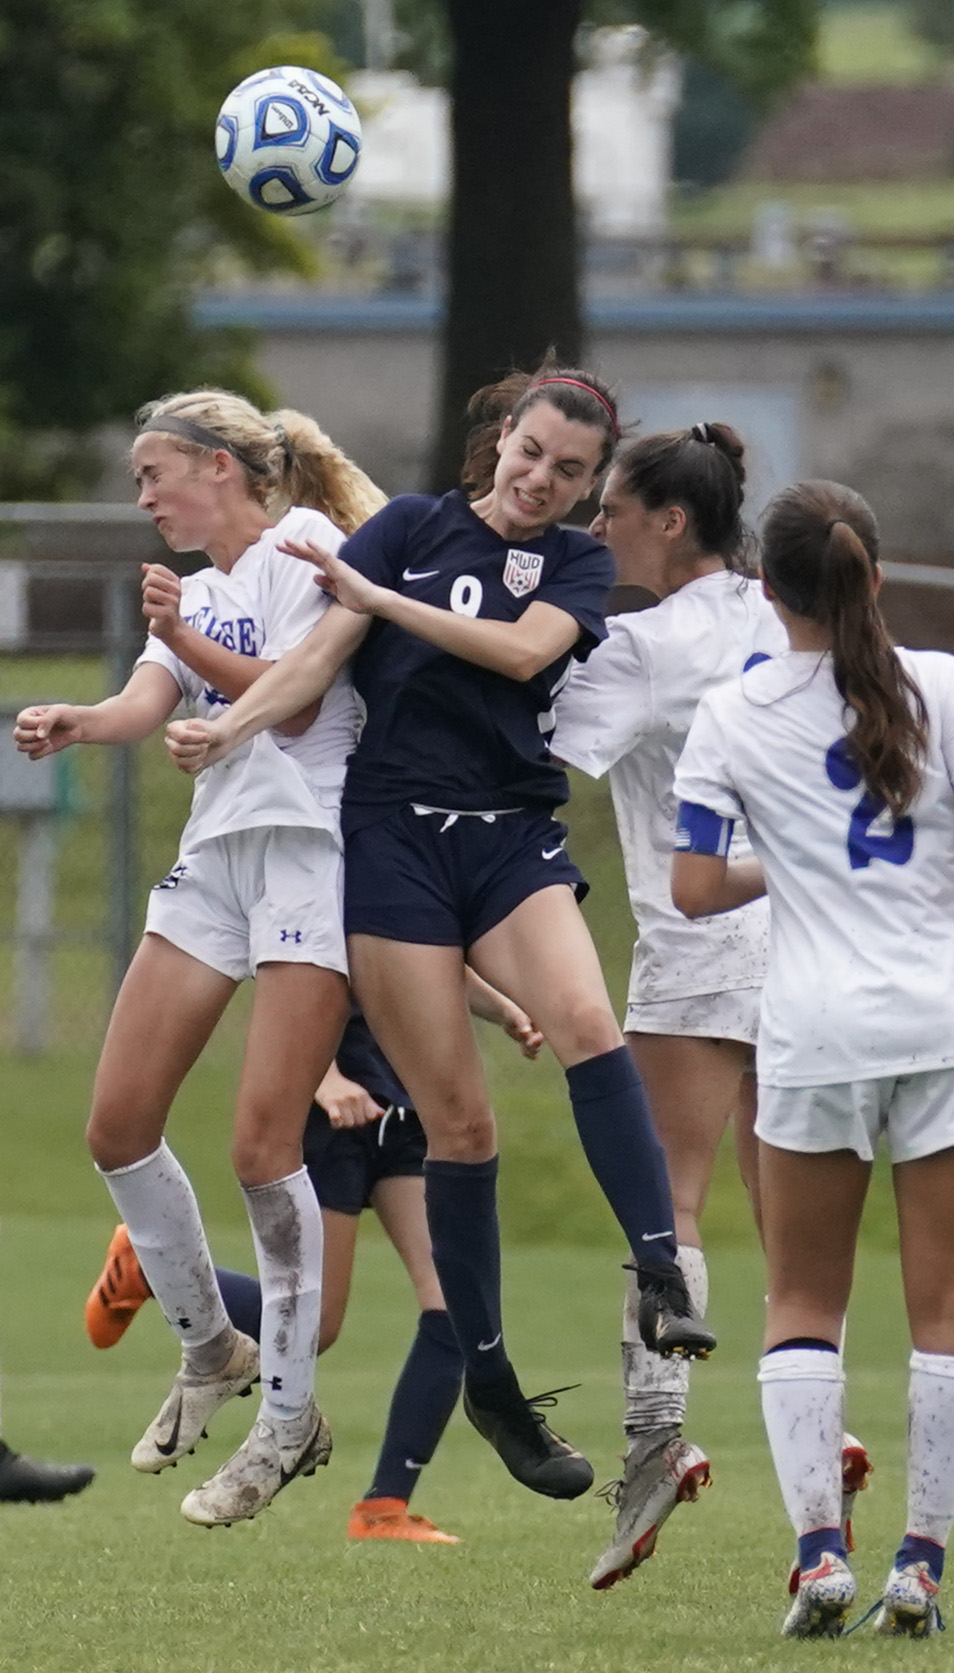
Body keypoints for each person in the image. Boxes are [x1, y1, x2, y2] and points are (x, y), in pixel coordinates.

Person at [163, 362, 714, 1505]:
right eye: (531, 452)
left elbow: (520, 653)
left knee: (586, 1018)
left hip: (509, 835)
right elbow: (317, 658)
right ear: (501, 438)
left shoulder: (575, 564)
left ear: (589, 485)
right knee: (460, 1124)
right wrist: (230, 728)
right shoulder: (411, 525)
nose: (542, 479)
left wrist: (379, 598)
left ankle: (660, 1269)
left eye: (570, 470)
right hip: (394, 841)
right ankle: (494, 1386)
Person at [670, 479, 954, 1638]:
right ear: (875, 577)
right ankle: (921, 1564)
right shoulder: (940, 683)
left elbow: (693, 888)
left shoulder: (730, 711)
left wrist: (793, 863)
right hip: (951, 1029)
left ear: (766, 589)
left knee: (803, 1297)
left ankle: (817, 1556)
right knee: (949, 1298)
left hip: (813, 1034)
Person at [14, 389, 384, 1528]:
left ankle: (288, 1418)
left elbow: (291, 701)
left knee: (264, 1145)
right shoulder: (197, 588)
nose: (143, 497)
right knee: (116, 1123)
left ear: (220, 466)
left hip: (309, 852)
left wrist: (181, 638)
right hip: (217, 856)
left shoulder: (304, 544)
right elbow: (149, 698)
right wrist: (82, 718)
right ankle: (211, 1347)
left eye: (153, 473)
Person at [554, 425, 869, 1589]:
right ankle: (820, 1434)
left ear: (670, 520)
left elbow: (536, 740)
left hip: (700, 938)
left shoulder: (643, 645)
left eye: (611, 510)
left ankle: (655, 1439)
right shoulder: (785, 613)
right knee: (792, 1217)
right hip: (816, 933)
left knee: (666, 1202)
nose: (596, 528)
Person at [85, 989, 543, 1543]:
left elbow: (431, 960)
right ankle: (148, 1270)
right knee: (317, 1326)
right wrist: (323, 1077)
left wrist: (505, 1010)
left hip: (408, 1107)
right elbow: (287, 966)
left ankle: (384, 1508)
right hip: (336, 1110)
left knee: (452, 1307)